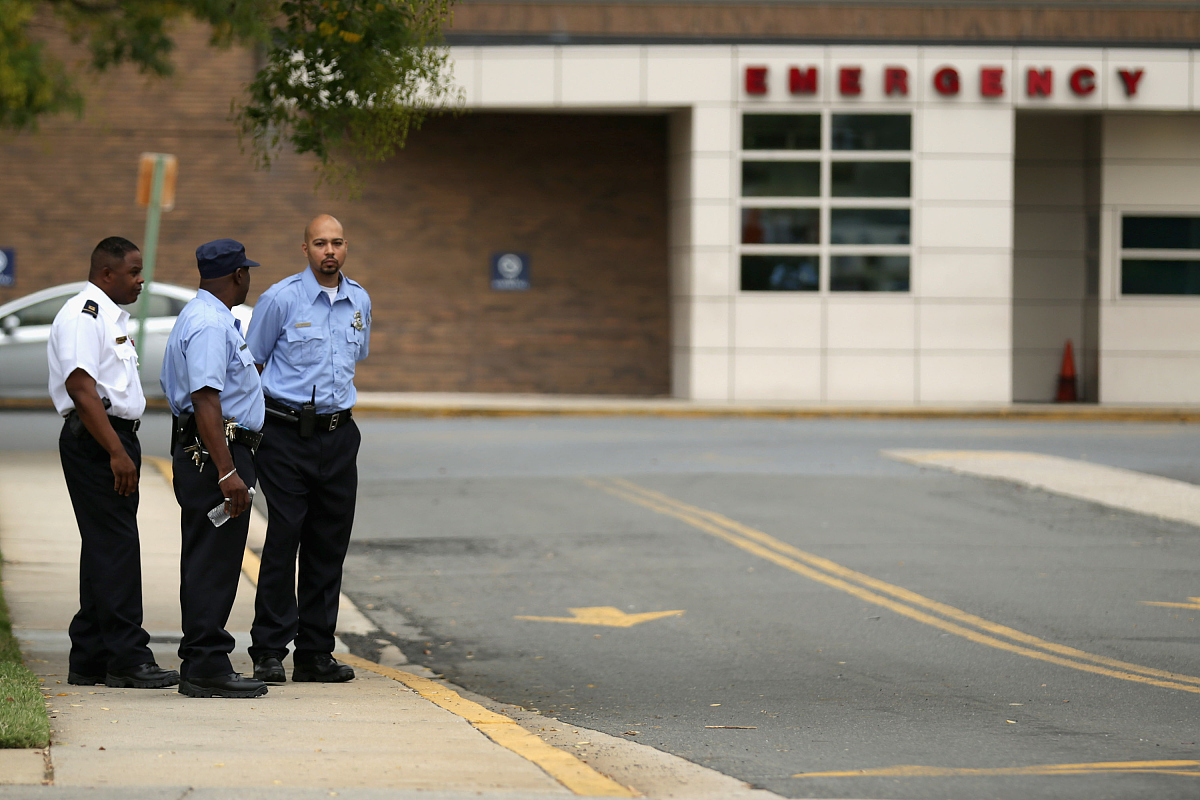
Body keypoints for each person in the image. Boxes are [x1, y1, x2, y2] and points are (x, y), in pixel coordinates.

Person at [48, 237, 179, 690]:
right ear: (107, 274)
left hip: (111, 439)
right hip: (99, 443)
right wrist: (116, 453)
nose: (141, 279)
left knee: (105, 548)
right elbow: (82, 390)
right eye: (134, 271)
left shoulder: (107, 316)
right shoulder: (84, 316)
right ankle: (128, 658)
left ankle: (90, 656)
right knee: (117, 548)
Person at [245, 214, 370, 684]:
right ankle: (269, 650)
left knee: (328, 545)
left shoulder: (359, 299)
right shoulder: (280, 299)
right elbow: (251, 365)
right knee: (284, 539)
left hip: (339, 436)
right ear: (305, 249)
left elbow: (356, 358)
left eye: (337, 242)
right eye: (320, 243)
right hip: (285, 435)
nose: (330, 251)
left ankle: (315, 653)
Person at [161, 239, 268, 698]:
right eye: (247, 272)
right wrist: (228, 473)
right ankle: (206, 663)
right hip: (215, 454)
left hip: (215, 450)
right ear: (238, 275)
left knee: (211, 558)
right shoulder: (208, 324)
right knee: (213, 560)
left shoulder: (206, 315)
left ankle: (204, 659)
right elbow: (206, 400)